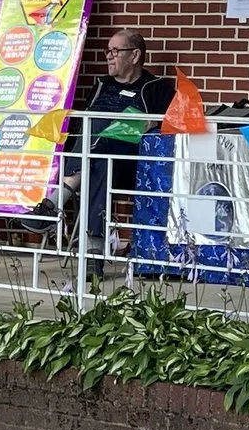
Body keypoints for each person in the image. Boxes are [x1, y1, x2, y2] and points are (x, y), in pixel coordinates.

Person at [73, 29, 176, 269]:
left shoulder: (156, 88)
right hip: (96, 161)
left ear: (135, 55)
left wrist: (150, 122)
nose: (109, 56)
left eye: (115, 51)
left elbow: (170, 126)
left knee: (97, 136)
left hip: (131, 163)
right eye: (108, 51)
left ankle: (60, 197)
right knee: (99, 157)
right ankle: (93, 252)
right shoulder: (101, 85)